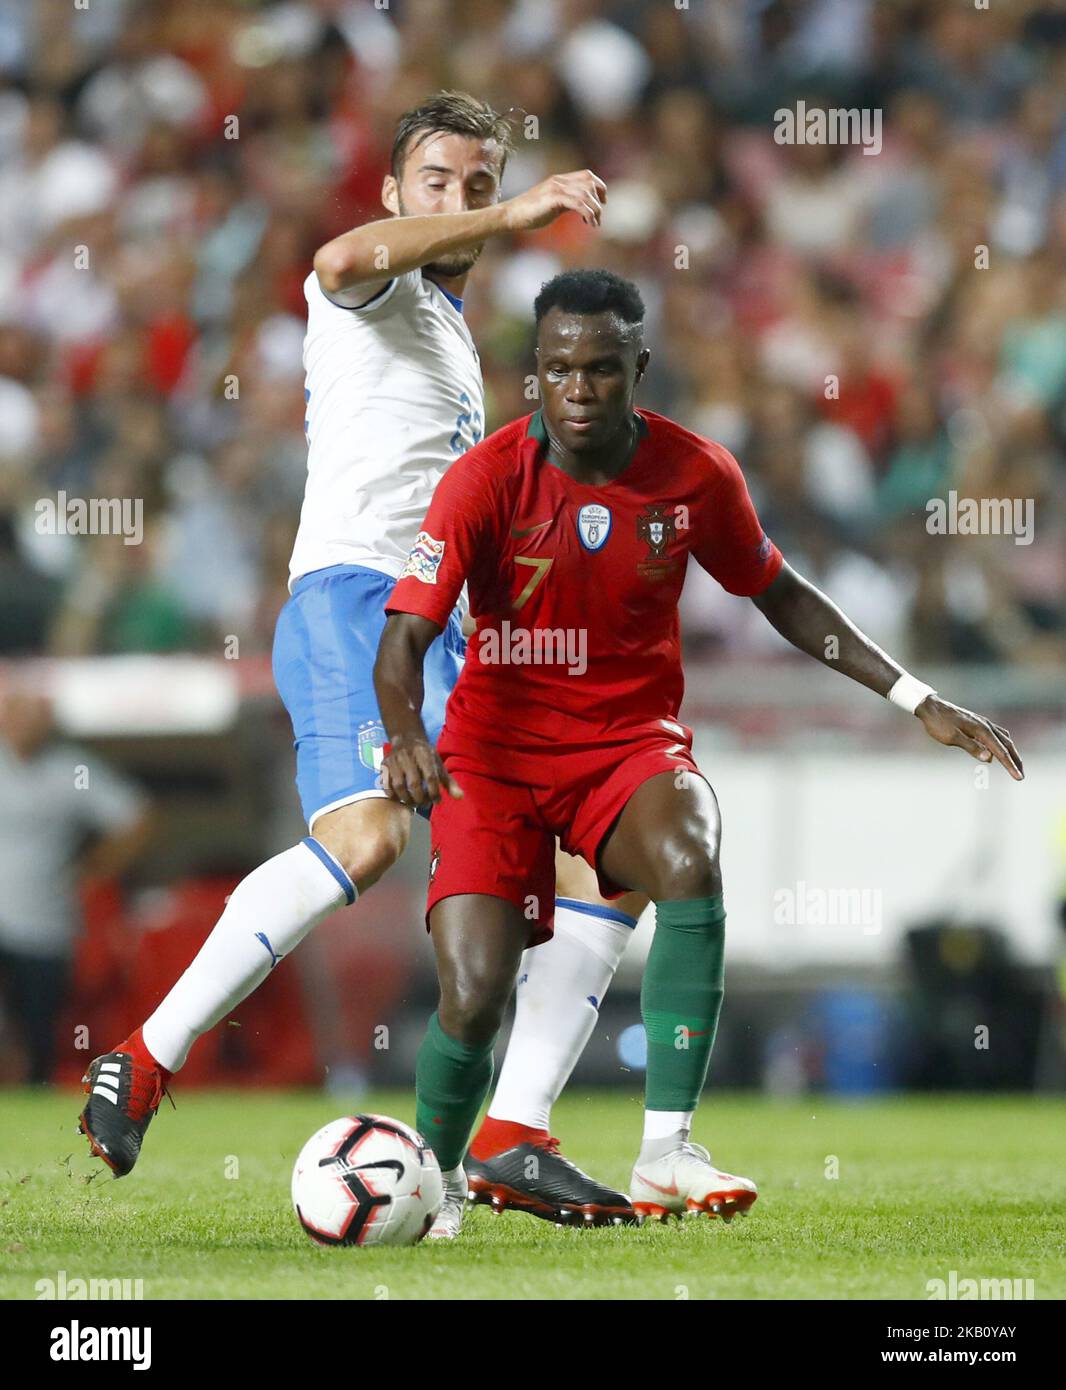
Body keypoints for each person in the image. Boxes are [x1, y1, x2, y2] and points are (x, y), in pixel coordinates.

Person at [79, 93, 645, 1229]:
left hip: (442, 629)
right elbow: (340, 252)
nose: (459, 201)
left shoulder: (444, 334)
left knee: (596, 865)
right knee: (368, 835)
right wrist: (527, 210)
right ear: (395, 193)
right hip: (351, 599)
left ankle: (509, 1137)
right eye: (436, 180)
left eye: (478, 186)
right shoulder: (367, 286)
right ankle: (145, 1054)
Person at [372, 268, 1024, 1236]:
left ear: (637, 367)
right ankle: (438, 1181)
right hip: (494, 752)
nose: (579, 389)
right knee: (469, 996)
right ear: (532, 379)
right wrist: (403, 735)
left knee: (690, 854)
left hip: (625, 745)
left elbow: (782, 593)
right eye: (558, 370)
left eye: (600, 369)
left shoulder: (693, 473)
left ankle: (665, 1147)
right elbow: (402, 642)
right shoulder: (485, 481)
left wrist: (912, 694)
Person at [0, 682, 153, 1083]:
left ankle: (32, 1108)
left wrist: (97, 867)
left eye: (29, 714)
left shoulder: (71, 770)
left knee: (39, 1030)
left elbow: (136, 817)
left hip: (44, 925)